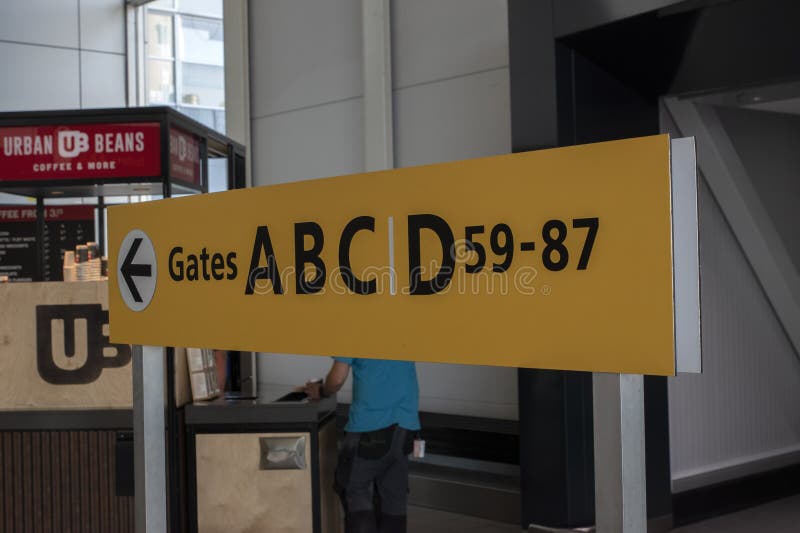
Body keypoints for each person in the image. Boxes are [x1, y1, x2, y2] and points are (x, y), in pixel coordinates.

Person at [304, 356, 420, 533]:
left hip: (369, 428)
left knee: (355, 490)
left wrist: (322, 391)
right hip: (405, 428)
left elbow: (336, 380)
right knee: (393, 499)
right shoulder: (404, 327)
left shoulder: (354, 329)